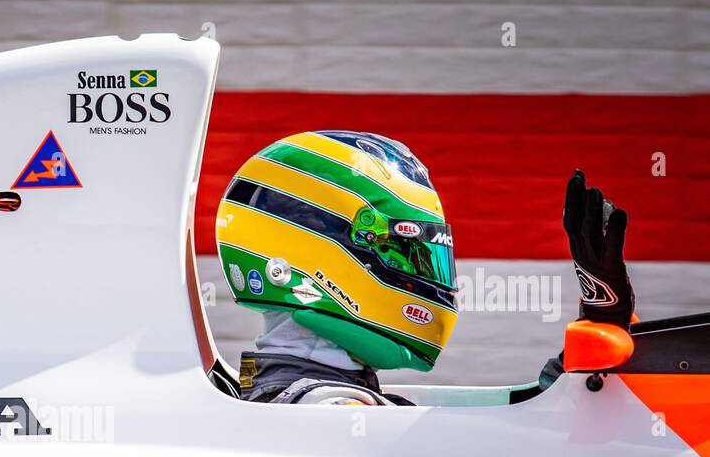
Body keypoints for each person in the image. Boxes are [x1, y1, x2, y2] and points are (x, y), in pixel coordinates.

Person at [215, 130, 631, 404]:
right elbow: (515, 451)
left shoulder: (328, 393)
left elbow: (520, 420)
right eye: (402, 251)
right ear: (318, 256)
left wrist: (601, 314)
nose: (421, 273)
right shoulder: (324, 410)